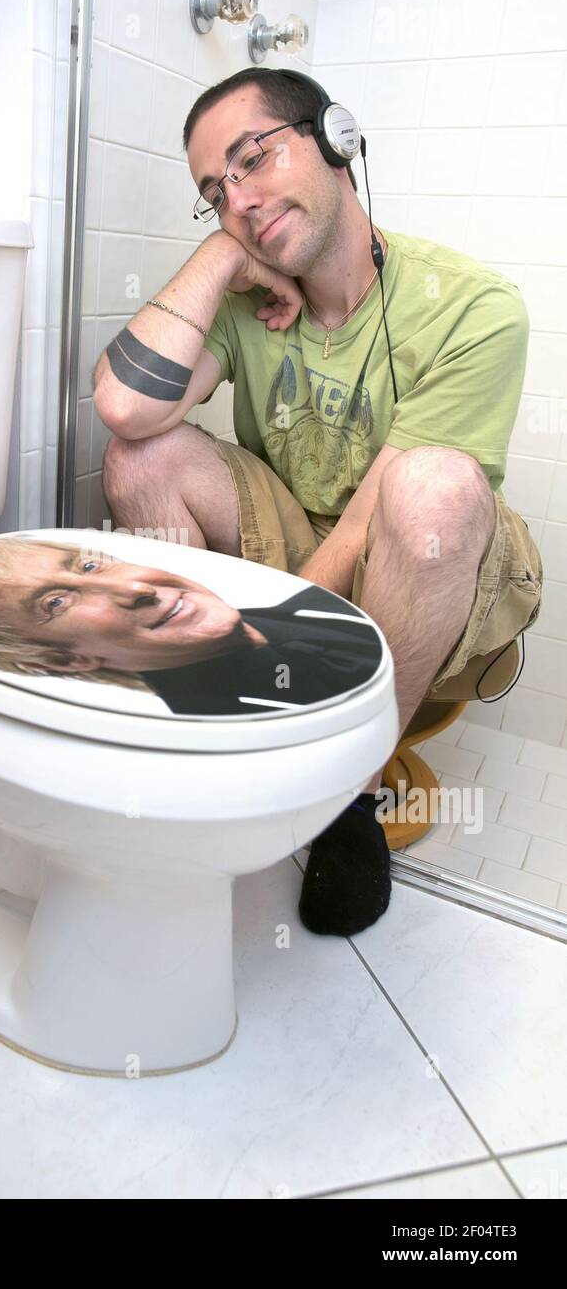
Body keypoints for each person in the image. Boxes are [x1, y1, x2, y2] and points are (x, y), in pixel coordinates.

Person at [92, 66, 543, 938]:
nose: (241, 200)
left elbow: (391, 502)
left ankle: (351, 791)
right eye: (214, 192)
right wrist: (223, 255)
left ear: (336, 139)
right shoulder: (247, 293)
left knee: (431, 485)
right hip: (300, 528)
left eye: (253, 159)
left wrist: (284, 641)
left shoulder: (475, 306)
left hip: (432, 552)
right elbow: (123, 406)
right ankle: (203, 723)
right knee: (141, 457)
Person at [0, 536, 383, 716]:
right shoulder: (233, 717)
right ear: (65, 659)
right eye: (56, 602)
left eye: (89, 566)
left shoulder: (294, 615)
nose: (136, 589)